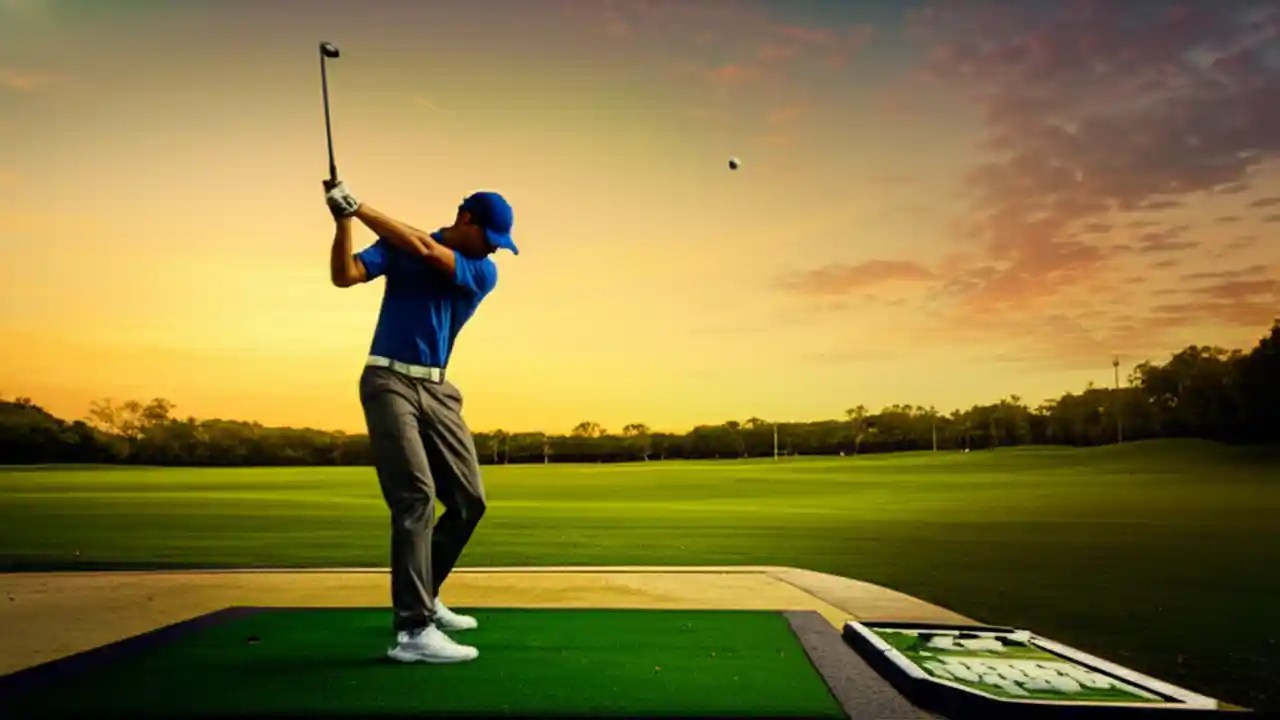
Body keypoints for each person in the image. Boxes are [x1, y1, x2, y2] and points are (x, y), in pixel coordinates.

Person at [323, 179, 518, 663]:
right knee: (414, 496)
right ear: (467, 219)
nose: (494, 250)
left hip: (438, 389)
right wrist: (344, 221)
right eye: (491, 237)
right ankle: (413, 631)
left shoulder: (480, 271)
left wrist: (360, 205)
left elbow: (426, 248)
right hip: (387, 380)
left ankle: (425, 593)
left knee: (469, 501)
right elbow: (344, 276)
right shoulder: (398, 243)